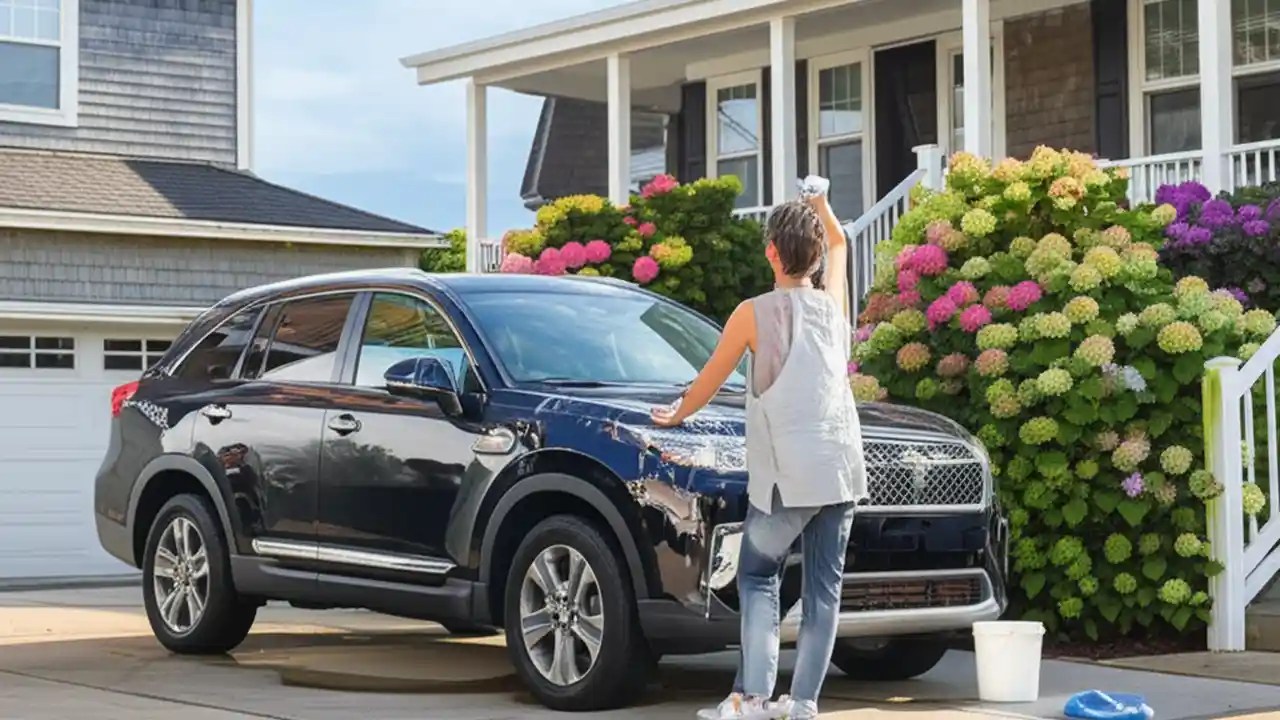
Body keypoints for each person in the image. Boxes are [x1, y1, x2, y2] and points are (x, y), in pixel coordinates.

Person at [651, 188, 866, 720]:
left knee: (757, 576)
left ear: (771, 252)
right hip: (840, 472)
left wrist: (677, 414)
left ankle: (751, 699)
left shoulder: (753, 314)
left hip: (788, 478)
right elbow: (840, 242)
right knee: (823, 593)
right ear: (814, 258)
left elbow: (708, 380)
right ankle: (804, 704)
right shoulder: (834, 310)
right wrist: (821, 204)